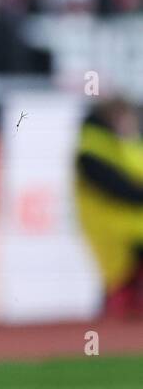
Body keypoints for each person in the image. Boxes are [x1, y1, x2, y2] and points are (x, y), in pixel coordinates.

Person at [74, 97, 143, 319]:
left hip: (127, 228)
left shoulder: (117, 145)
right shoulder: (93, 150)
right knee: (122, 290)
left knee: (123, 287)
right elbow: (118, 188)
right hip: (119, 231)